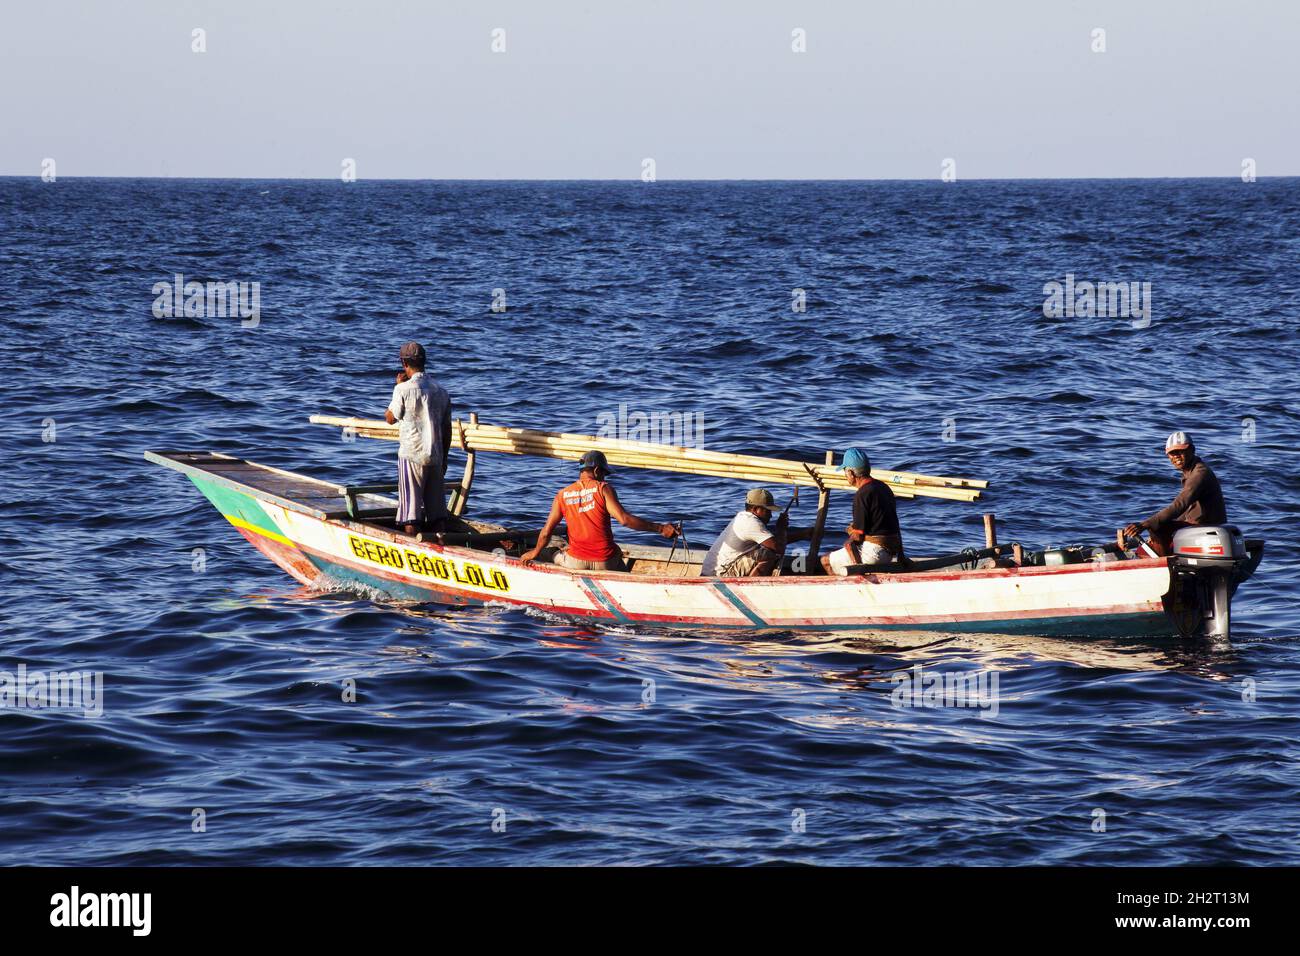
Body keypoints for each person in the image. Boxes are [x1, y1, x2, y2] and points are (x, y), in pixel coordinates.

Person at [519, 450, 678, 571]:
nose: (605, 478)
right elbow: (624, 520)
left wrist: (534, 553)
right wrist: (660, 528)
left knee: (550, 552)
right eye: (604, 473)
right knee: (615, 552)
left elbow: (546, 532)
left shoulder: (562, 495)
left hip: (575, 563)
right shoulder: (603, 488)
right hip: (605, 562)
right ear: (596, 471)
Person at [384, 341, 452, 537]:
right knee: (437, 514)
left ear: (404, 363)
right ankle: (441, 547)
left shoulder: (403, 390)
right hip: (436, 457)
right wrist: (444, 458)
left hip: (411, 455)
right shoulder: (441, 391)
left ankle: (413, 548)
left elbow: (390, 418)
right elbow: (446, 430)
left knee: (410, 514)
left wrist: (398, 386)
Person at [1123, 431, 1226, 556]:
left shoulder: (1199, 474)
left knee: (1157, 527)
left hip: (1208, 528)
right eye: (1172, 453)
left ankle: (1162, 563)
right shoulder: (1191, 472)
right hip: (1202, 525)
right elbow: (1187, 509)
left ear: (1192, 450)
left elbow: (1179, 505)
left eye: (1180, 451)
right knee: (1162, 527)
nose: (1176, 456)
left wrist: (1146, 524)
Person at [821, 447, 905, 575]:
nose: (845, 475)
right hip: (890, 553)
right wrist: (902, 556)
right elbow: (894, 524)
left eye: (845, 471)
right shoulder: (884, 487)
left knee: (825, 560)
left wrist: (851, 532)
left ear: (851, 473)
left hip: (874, 554)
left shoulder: (862, 495)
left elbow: (858, 536)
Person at [702, 488, 807, 577]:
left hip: (714, 571)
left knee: (766, 550)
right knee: (769, 554)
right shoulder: (751, 522)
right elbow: (779, 548)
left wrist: (804, 535)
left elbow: (773, 541)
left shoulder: (743, 517)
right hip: (719, 575)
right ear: (756, 509)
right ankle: (750, 587)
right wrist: (782, 528)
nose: (770, 515)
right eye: (768, 511)